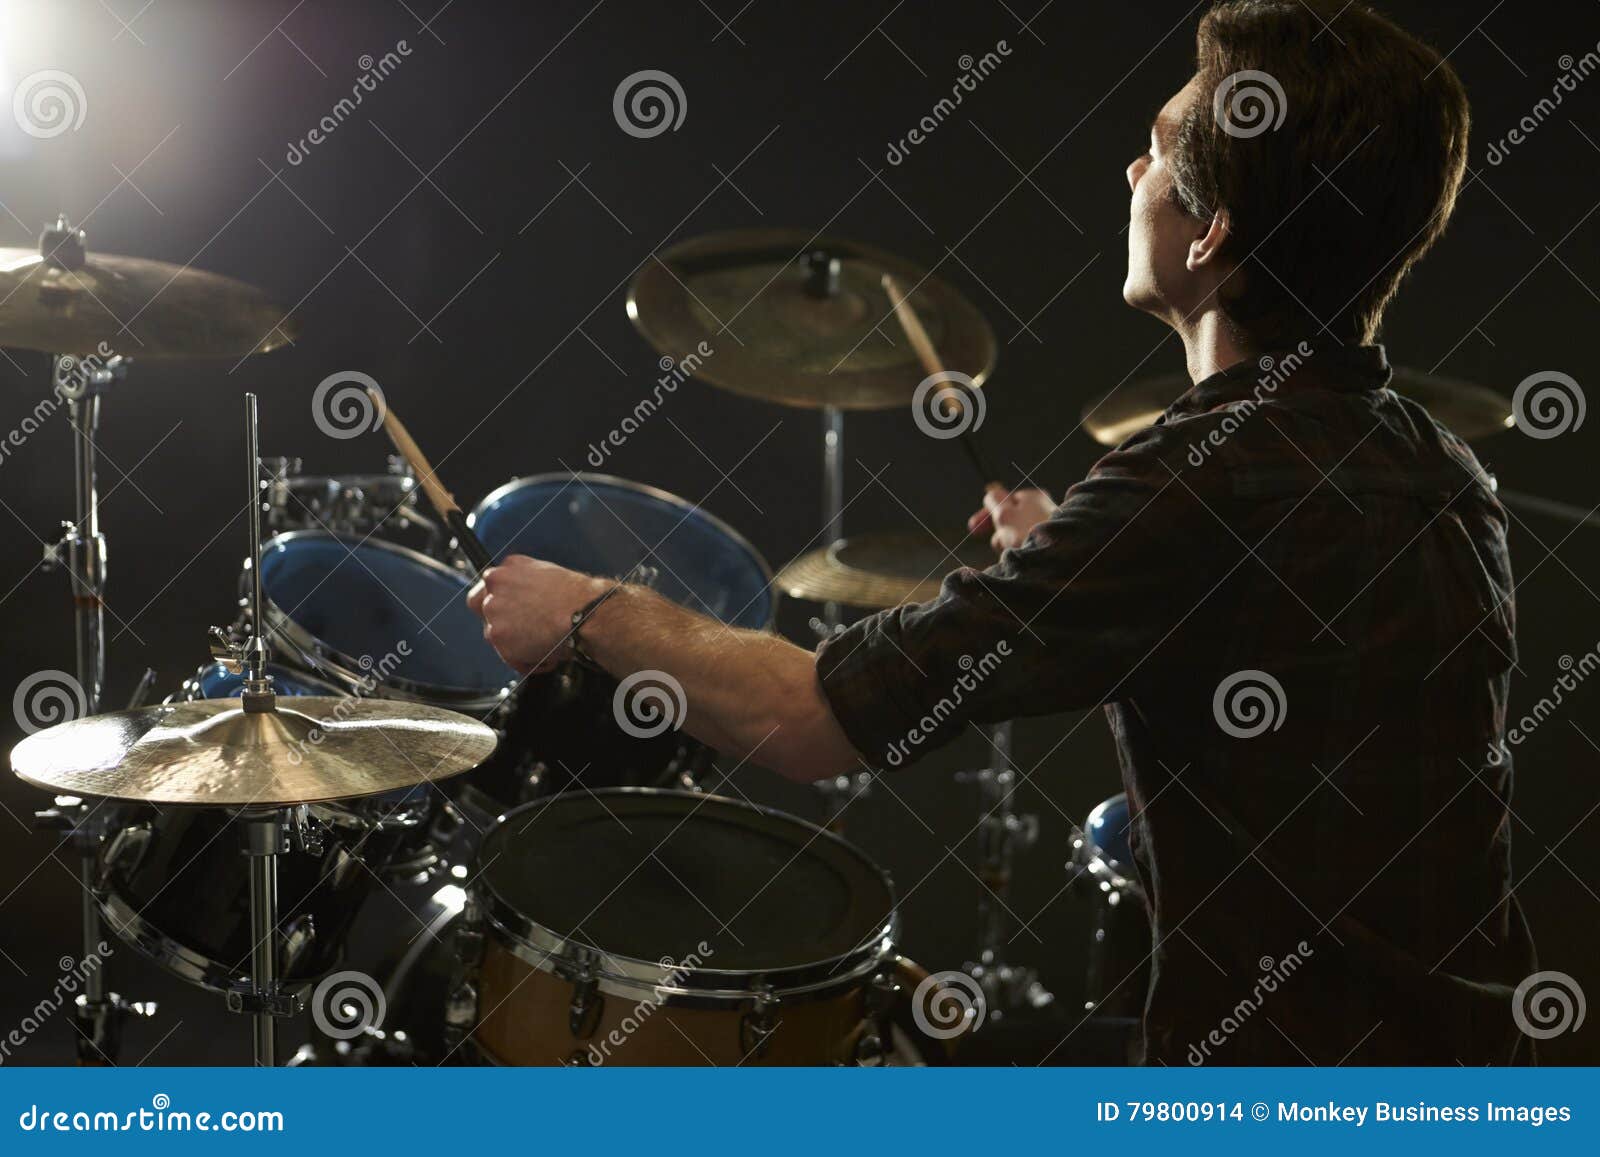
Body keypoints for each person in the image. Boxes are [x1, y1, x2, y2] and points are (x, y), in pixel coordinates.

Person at [467, 0, 1535, 1065]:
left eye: (1155, 154)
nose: (1130, 176)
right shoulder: (1442, 469)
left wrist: (589, 611)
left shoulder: (1203, 489)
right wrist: (1064, 548)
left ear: (1210, 234)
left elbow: (808, 719)